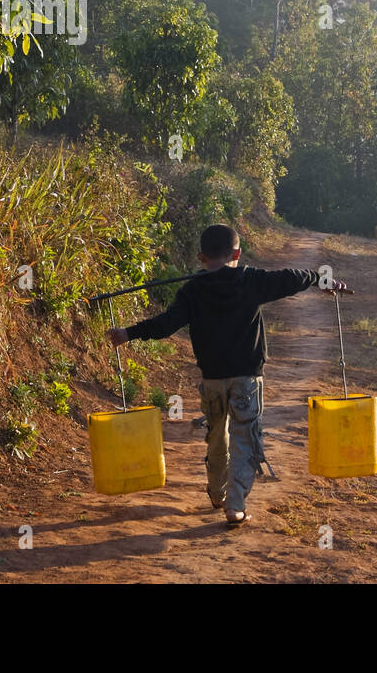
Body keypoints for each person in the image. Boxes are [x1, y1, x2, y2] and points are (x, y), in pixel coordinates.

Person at [106, 224, 348, 527]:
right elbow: (291, 278)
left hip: (211, 382)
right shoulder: (252, 281)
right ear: (237, 253)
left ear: (200, 257)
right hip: (246, 380)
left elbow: (166, 324)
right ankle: (235, 505)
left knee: (216, 438)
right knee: (244, 440)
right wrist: (320, 279)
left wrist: (128, 333)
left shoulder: (192, 290)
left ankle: (217, 493)